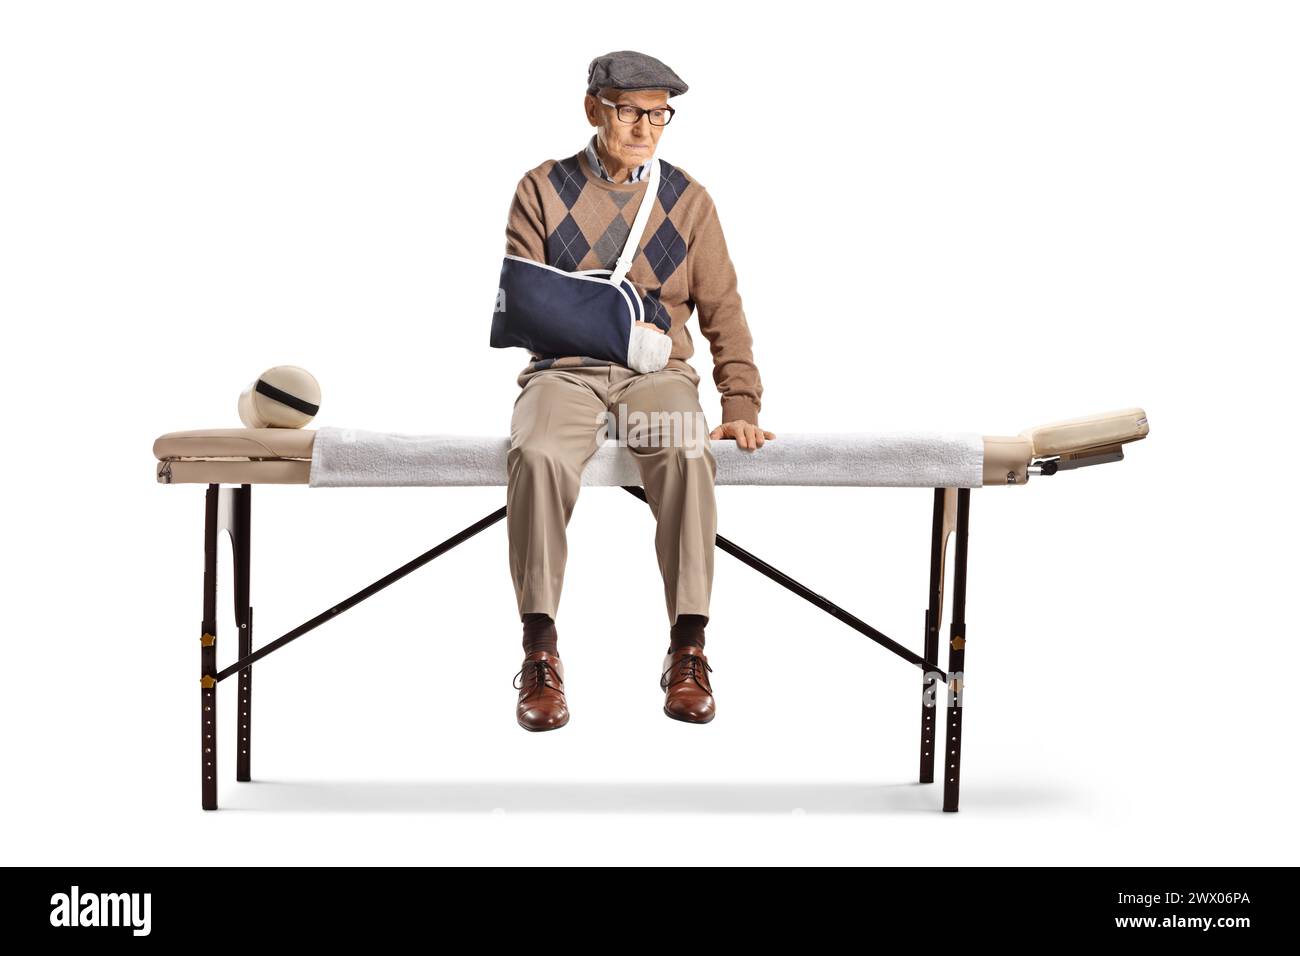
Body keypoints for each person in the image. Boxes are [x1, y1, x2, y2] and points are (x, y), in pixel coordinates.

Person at [503, 50, 775, 731]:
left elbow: (723, 308)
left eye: (658, 114)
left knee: (686, 455)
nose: (644, 127)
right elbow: (526, 304)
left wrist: (739, 404)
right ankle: (540, 653)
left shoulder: (688, 201)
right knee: (536, 456)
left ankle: (689, 648)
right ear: (594, 109)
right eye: (629, 111)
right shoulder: (540, 187)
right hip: (562, 371)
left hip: (657, 378)